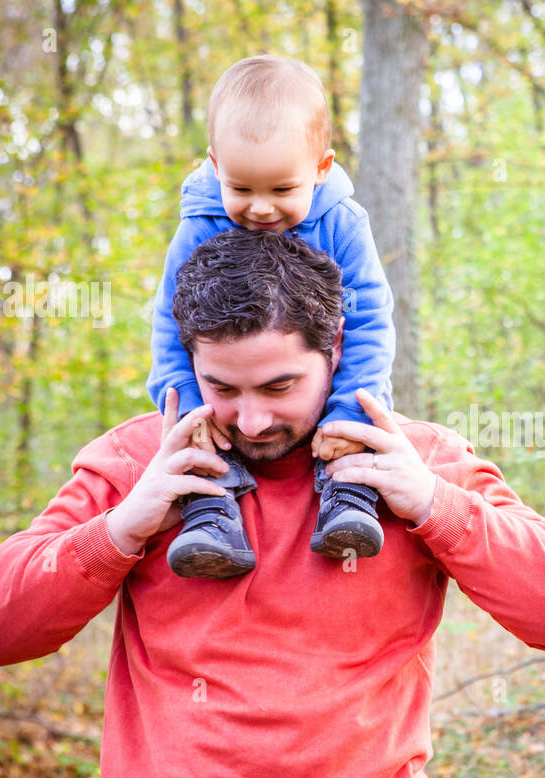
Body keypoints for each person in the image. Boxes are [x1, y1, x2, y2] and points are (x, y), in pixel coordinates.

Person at [0, 229, 545, 778]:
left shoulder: (412, 457)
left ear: (334, 349)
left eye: (278, 388)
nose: (250, 421)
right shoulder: (142, 458)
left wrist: (436, 504)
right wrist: (122, 528)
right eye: (221, 388)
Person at [147, 55, 394, 577]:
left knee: (356, 434)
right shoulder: (198, 225)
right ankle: (210, 518)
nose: (260, 209)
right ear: (216, 167)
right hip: (217, 412)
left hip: (332, 396)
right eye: (240, 189)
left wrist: (349, 411)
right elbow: (170, 324)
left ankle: (349, 498)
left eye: (282, 190)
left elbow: (370, 321)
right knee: (205, 445)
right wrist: (190, 409)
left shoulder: (343, 225)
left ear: (321, 169)